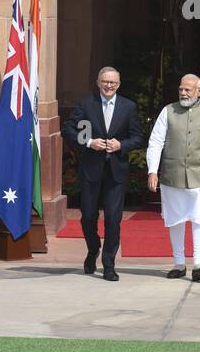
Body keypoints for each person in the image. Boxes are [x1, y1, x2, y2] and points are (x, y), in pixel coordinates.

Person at [61, 67, 143, 282]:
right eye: (105, 82)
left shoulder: (128, 107)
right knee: (88, 217)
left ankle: (109, 264)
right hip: (91, 170)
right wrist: (89, 142)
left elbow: (137, 137)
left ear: (119, 84)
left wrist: (121, 145)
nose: (109, 86)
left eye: (113, 83)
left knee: (113, 220)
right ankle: (93, 249)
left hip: (116, 172)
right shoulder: (86, 104)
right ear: (98, 82)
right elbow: (69, 130)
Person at [147, 74, 200, 282]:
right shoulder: (168, 111)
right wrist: (152, 170)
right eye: (181, 89)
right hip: (172, 175)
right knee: (175, 220)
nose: (183, 93)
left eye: (188, 90)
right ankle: (178, 264)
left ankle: (199, 265)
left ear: (199, 91)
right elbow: (156, 141)